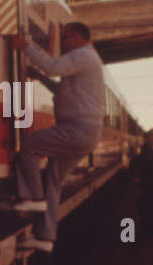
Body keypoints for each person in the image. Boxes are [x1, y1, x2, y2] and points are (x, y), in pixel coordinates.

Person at [7, 22, 105, 252]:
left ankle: (33, 197)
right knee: (53, 180)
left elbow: (53, 67)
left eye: (67, 37)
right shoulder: (86, 59)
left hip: (78, 130)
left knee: (28, 145)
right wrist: (40, 79)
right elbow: (62, 88)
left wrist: (26, 48)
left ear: (79, 37)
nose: (64, 42)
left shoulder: (83, 55)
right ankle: (44, 238)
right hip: (85, 133)